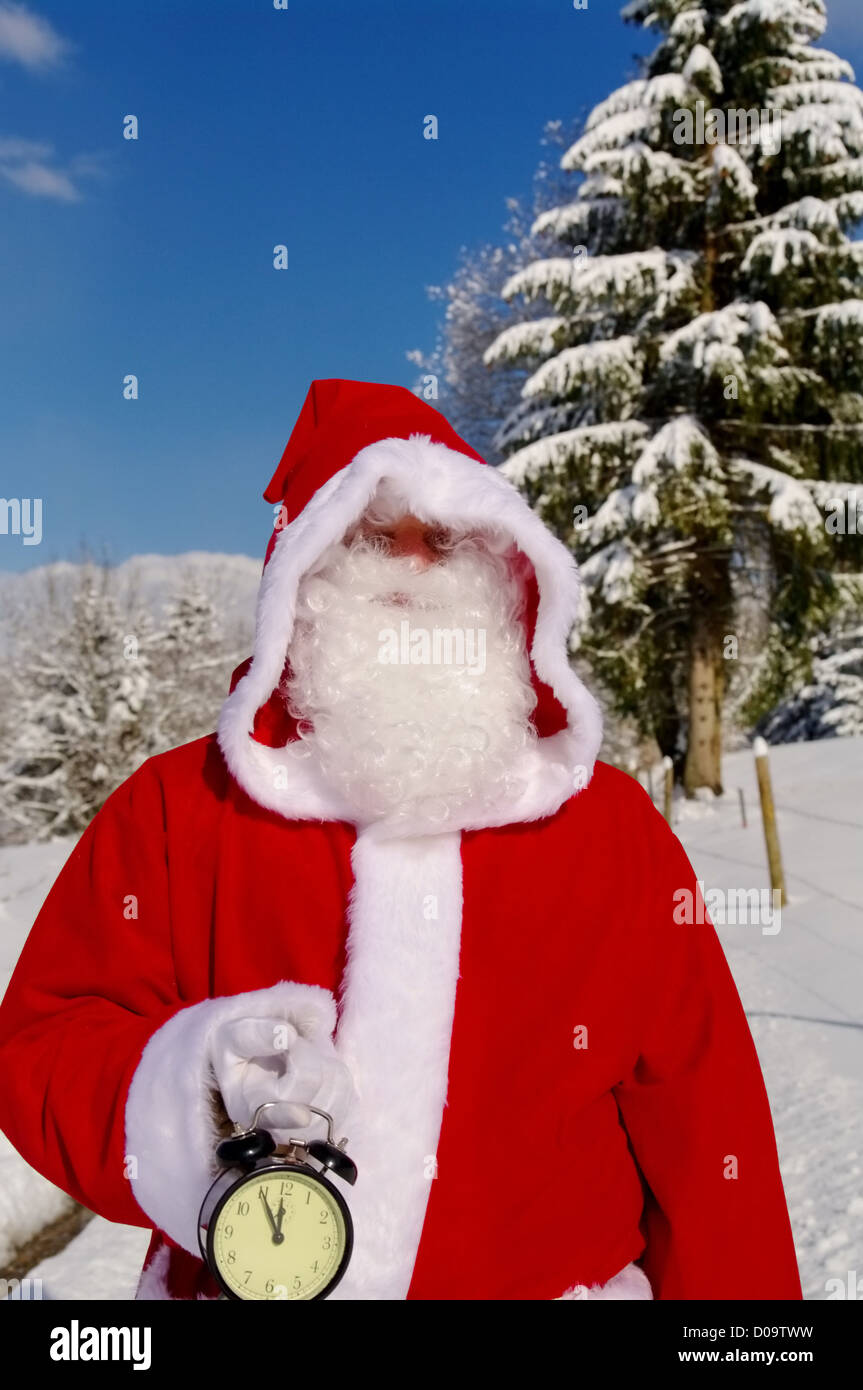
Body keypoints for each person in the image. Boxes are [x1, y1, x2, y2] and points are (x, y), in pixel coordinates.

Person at [0, 379, 801, 1300]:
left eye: (449, 538)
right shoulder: (178, 811)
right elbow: (47, 1043)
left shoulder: (610, 829)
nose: (415, 564)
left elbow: (707, 1126)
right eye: (376, 532)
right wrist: (195, 1093)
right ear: (300, 568)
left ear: (507, 572)